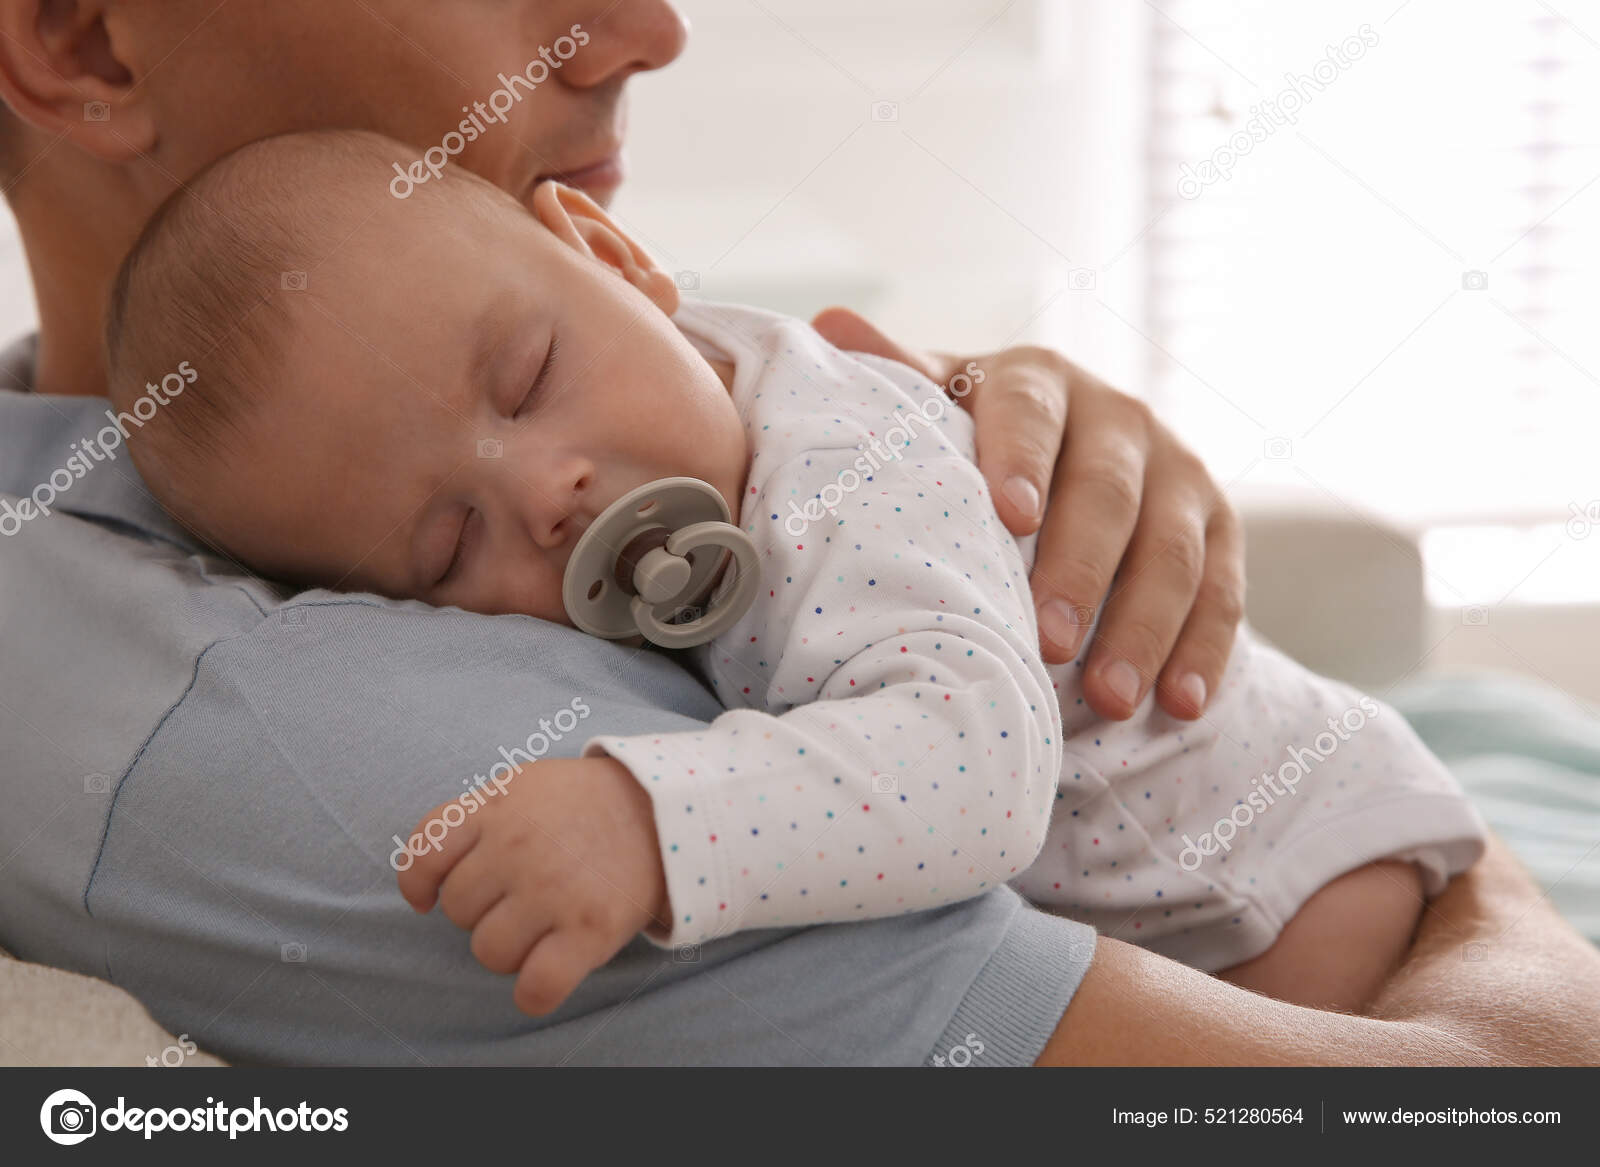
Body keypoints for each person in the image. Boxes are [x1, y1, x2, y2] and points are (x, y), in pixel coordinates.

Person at [0, 0, 1596, 1066]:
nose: (653, 27)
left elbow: (953, 727)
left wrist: (977, 435)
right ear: (84, 39)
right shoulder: (288, 728)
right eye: (442, 547)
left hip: (1282, 866)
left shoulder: (203, 479)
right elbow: (1492, 1103)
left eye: (532, 368)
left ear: (610, 263)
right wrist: (1492, 909)